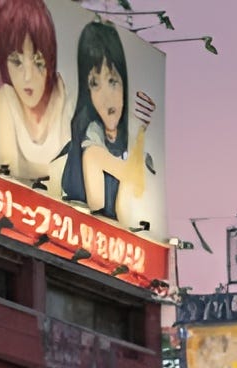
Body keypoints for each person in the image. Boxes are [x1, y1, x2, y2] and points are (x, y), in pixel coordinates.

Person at [0, 0, 70, 190]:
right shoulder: (7, 95)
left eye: (38, 62)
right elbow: (8, 168)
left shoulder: (63, 97)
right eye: (16, 61)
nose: (28, 76)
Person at [60, 18, 151, 226]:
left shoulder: (130, 136)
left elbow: (127, 210)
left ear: (124, 82)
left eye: (112, 81)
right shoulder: (91, 134)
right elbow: (98, 212)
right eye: (95, 84)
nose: (106, 97)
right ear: (87, 90)